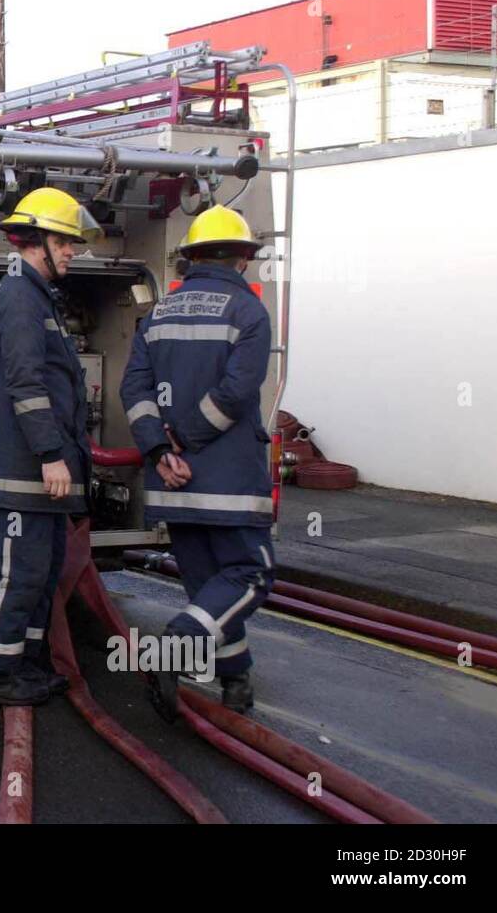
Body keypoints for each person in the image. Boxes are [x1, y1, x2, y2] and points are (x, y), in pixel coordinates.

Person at [119, 205, 275, 718]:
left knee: (210, 587)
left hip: (172, 484)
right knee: (250, 576)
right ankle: (174, 649)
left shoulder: (158, 313)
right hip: (227, 481)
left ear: (191, 258)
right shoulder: (248, 311)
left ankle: (236, 683)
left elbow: (134, 390)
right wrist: (185, 440)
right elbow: (236, 392)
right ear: (243, 260)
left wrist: (160, 449)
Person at [0, 187, 104, 708]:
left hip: (41, 474)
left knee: (41, 574)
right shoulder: (20, 299)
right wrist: (52, 454)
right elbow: (28, 387)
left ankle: (22, 665)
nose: (73, 251)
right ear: (36, 242)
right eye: (64, 241)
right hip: (23, 471)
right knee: (17, 573)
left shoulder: (37, 296)